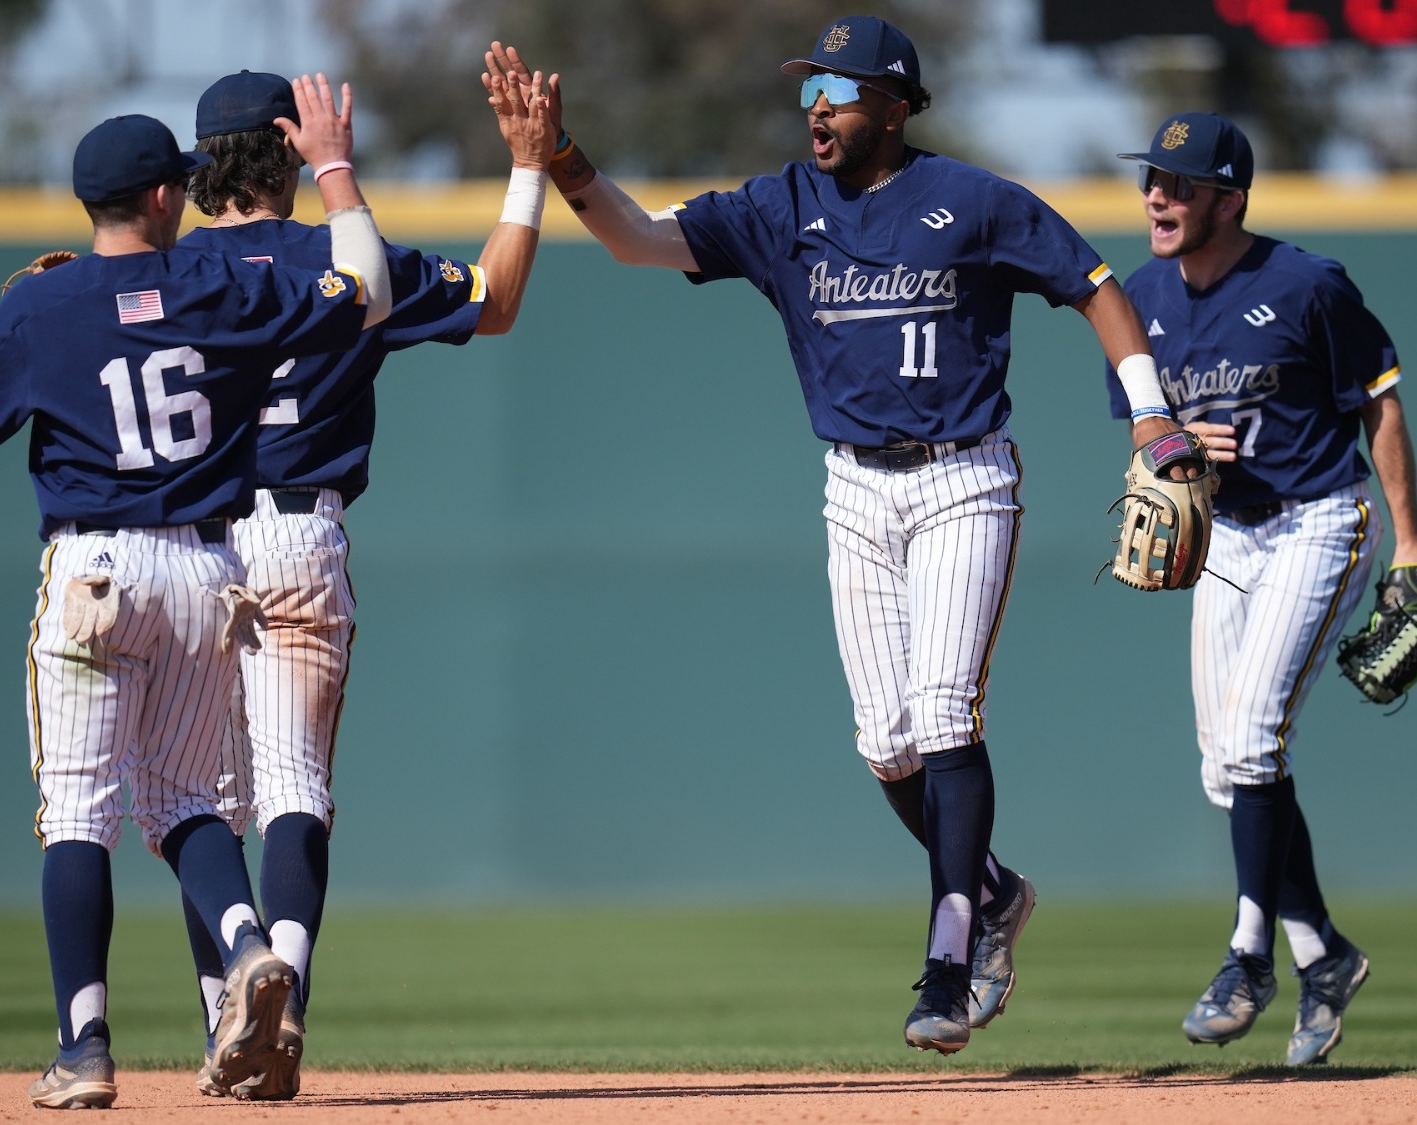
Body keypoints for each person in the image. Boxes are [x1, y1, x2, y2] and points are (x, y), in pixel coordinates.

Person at [486, 16, 1179, 1054]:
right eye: (810, 87)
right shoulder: (780, 207)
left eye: (841, 89)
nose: (816, 104)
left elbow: (1092, 285)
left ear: (893, 108)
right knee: (886, 745)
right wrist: (560, 159)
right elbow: (636, 238)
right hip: (853, 489)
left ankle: (949, 960)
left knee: (945, 715)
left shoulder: (973, 201)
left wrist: (1151, 410)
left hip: (961, 478)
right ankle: (992, 892)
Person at [0, 82, 394, 1110]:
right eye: (176, 186)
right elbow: (363, 290)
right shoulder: (211, 290)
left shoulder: (38, 304)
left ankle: (84, 1049)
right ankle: (243, 952)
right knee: (190, 802)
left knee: (77, 816)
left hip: (94, 572)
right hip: (202, 575)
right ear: (156, 195)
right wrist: (335, 173)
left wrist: (34, 341)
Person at [159, 68, 555, 1101]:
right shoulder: (354, 258)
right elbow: (497, 303)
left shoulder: (158, 271)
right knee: (294, 794)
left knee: (202, 802)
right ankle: (280, 994)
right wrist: (524, 168)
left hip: (187, 551)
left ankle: (228, 1014)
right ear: (293, 153)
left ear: (201, 167)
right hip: (300, 540)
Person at [1109, 113, 1417, 1066]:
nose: (1157, 197)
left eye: (1177, 183)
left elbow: (1380, 400)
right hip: (1227, 532)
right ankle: (1321, 953)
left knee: (1252, 739)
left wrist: (1411, 544)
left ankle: (1250, 952)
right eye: (1151, 181)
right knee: (1226, 765)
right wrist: (1166, 449)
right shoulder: (1140, 300)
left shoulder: (1307, 285)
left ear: (1228, 198)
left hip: (1316, 519)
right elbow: (1142, 431)